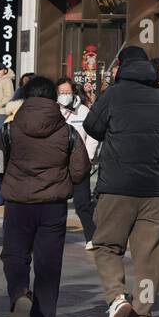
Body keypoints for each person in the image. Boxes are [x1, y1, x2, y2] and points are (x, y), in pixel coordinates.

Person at [83, 46, 159, 317]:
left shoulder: (114, 94)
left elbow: (92, 127)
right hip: (154, 192)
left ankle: (117, 296)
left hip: (115, 188)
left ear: (121, 66)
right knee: (150, 258)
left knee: (106, 245)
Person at [0, 76, 90, 317]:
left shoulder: (10, 129)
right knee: (49, 262)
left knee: (14, 254)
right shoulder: (67, 131)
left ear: (26, 97)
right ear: (54, 98)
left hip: (18, 204)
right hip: (53, 207)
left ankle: (20, 292)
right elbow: (80, 171)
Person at [57, 77, 98, 250]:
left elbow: (93, 136)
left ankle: (92, 237)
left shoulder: (83, 111)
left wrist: (87, 157)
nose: (65, 95)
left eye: (68, 92)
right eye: (62, 92)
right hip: (58, 163)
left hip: (80, 163)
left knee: (82, 203)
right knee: (57, 203)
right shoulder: (54, 110)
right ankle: (55, 236)